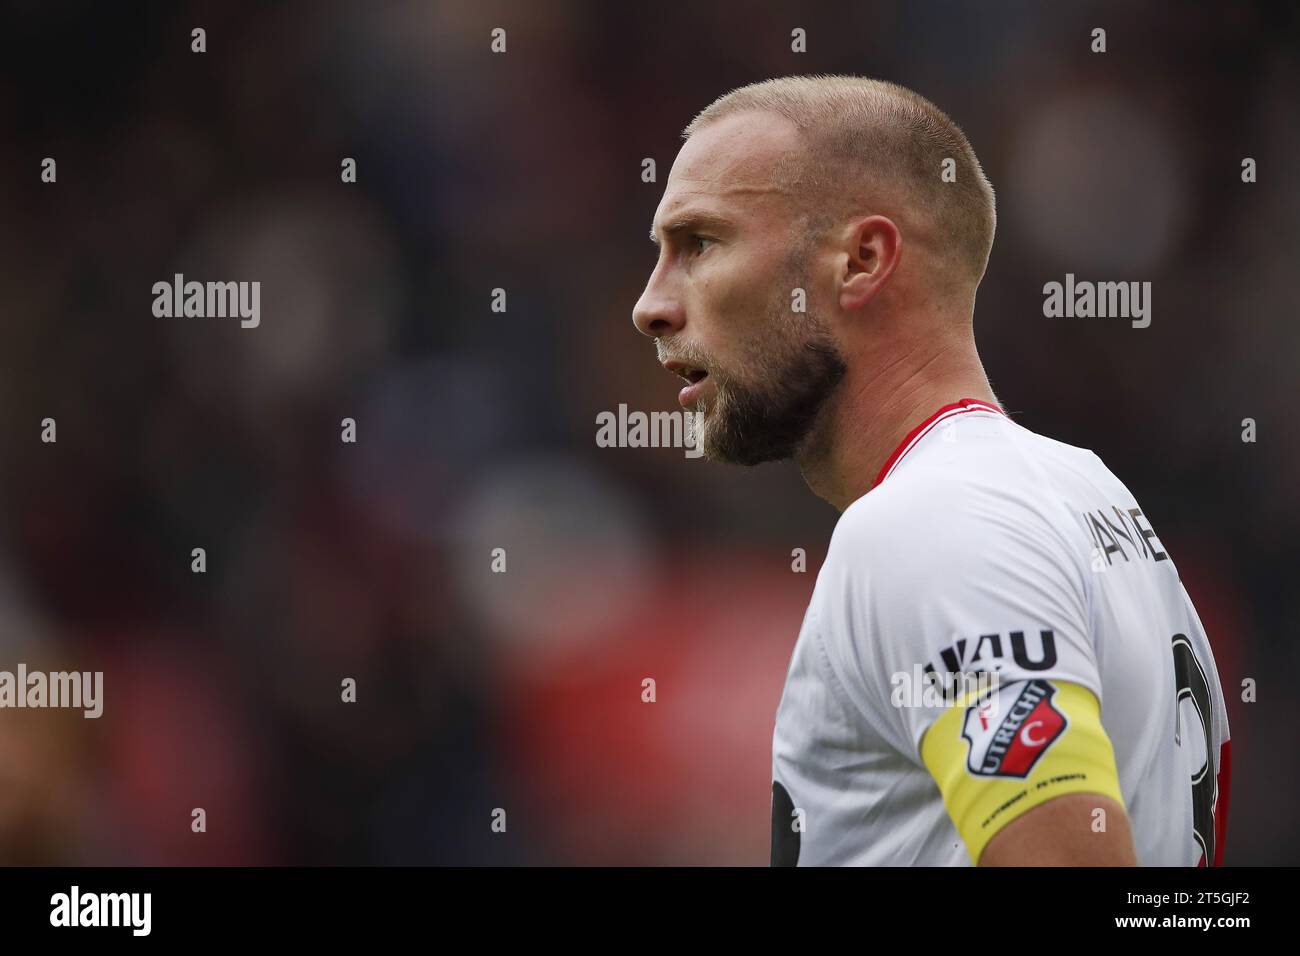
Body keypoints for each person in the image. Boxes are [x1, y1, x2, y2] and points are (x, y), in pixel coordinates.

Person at [633, 75, 1230, 866]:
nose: (652, 305)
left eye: (700, 243)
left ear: (862, 260)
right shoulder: (1091, 498)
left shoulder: (930, 526)